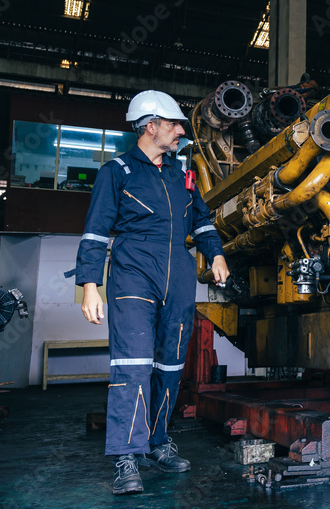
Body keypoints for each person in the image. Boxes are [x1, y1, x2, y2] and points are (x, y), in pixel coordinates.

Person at [68, 90, 230, 494]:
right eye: (174, 124)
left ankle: (157, 442)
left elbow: (204, 222)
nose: (181, 131)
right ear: (150, 126)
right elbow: (95, 231)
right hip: (133, 276)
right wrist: (91, 285)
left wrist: (216, 255)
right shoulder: (117, 172)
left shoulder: (182, 177)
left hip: (178, 278)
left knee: (171, 366)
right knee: (133, 365)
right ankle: (126, 456)